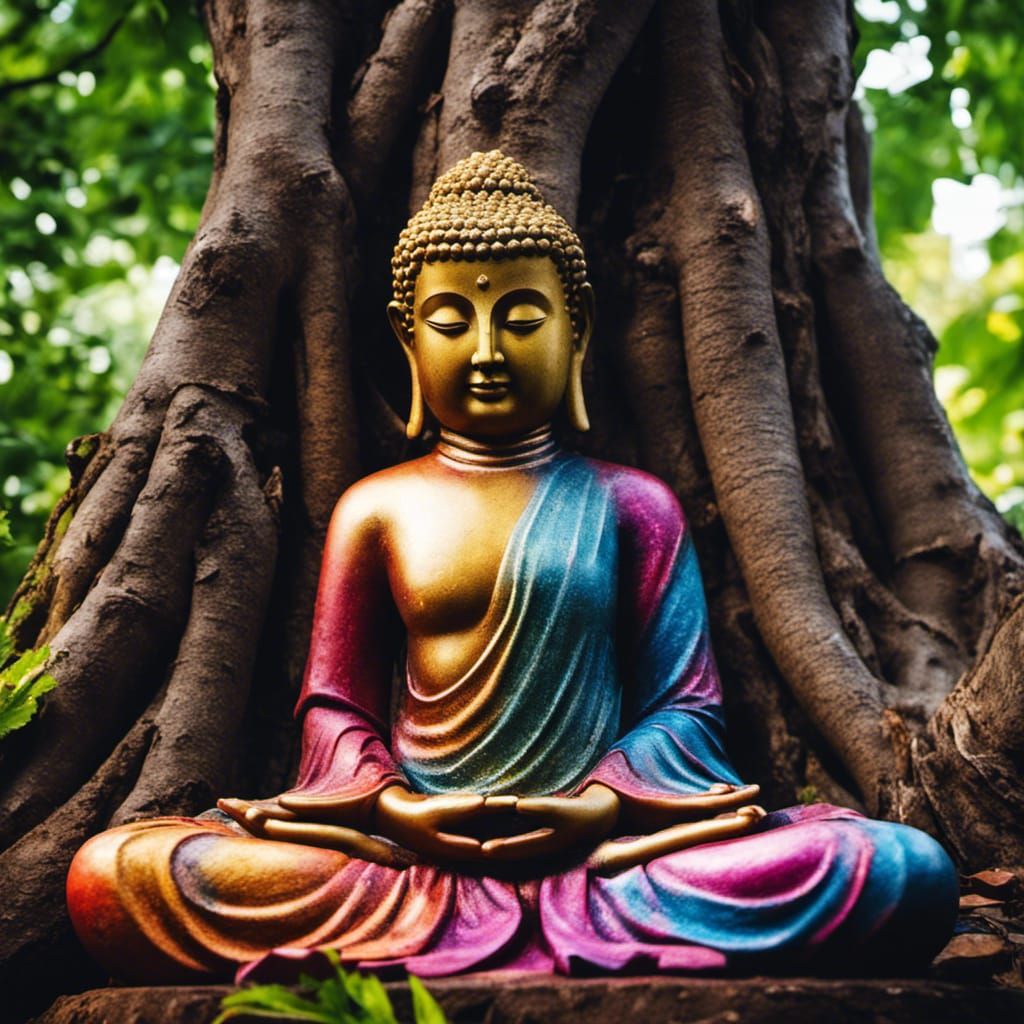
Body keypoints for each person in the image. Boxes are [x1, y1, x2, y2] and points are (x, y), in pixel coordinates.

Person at [67, 151, 958, 983]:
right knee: (114, 873)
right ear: (408, 339)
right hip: (414, 856)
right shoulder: (376, 508)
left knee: (900, 866)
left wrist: (603, 807)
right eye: (452, 320)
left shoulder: (632, 505)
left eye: (522, 318)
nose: (487, 350)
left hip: (603, 857)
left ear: (576, 334)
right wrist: (394, 810)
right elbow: (336, 712)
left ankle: (494, 934)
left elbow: (684, 710)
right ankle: (513, 930)